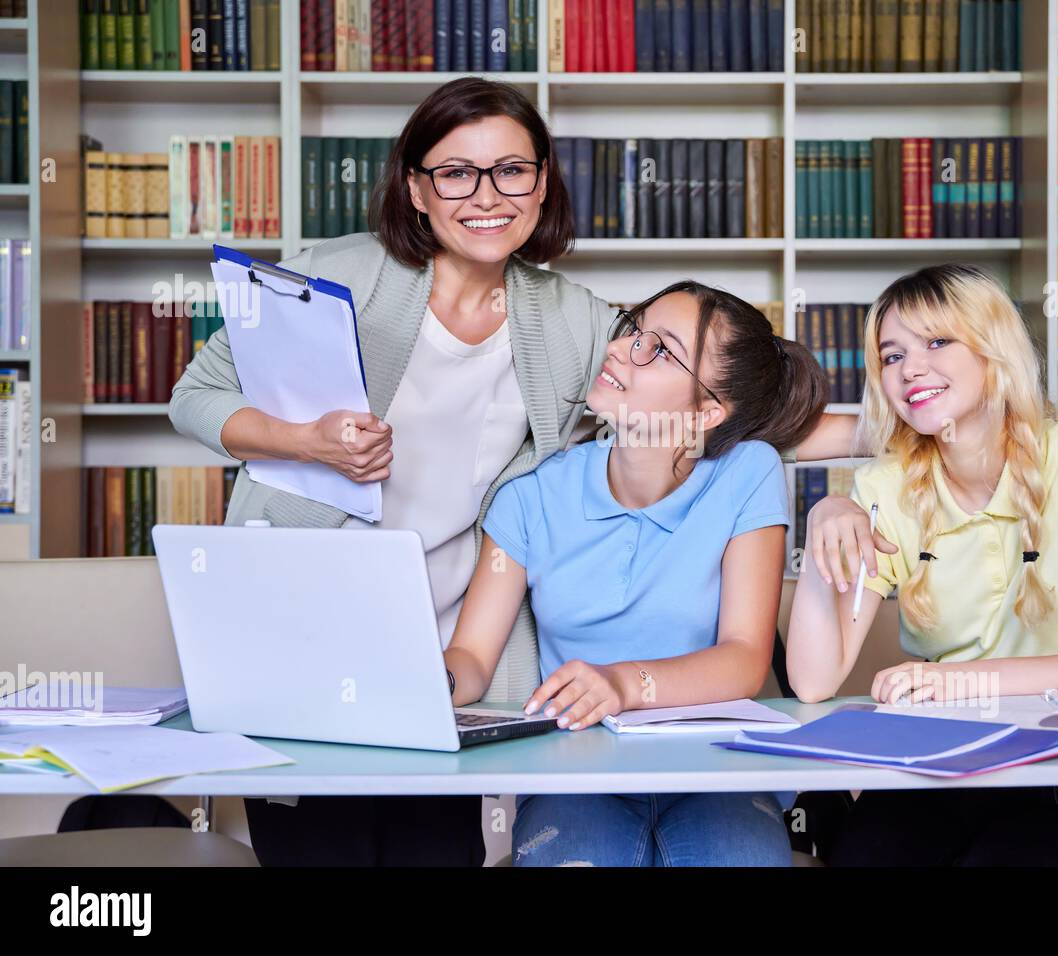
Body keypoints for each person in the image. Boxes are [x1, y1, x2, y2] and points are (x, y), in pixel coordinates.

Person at [169, 77, 857, 866]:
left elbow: (720, 406)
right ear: (416, 189)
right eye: (456, 172)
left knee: (440, 853)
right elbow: (196, 397)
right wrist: (303, 439)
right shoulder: (337, 277)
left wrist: (917, 434)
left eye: (512, 171)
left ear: (541, 183)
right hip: (310, 620)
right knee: (313, 847)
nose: (486, 195)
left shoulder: (573, 322)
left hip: (449, 642)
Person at [785, 263, 1058, 866]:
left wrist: (961, 682)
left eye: (938, 342)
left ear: (995, 351)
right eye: (891, 356)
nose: (910, 368)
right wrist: (824, 520)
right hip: (941, 765)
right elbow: (813, 680)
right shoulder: (885, 486)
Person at [445, 281, 826, 866]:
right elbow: (471, 658)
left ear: (707, 412)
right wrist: (424, 681)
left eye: (658, 347)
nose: (621, 350)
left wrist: (623, 685)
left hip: (716, 766)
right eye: (632, 330)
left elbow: (746, 658)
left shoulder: (747, 473)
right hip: (574, 771)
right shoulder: (531, 495)